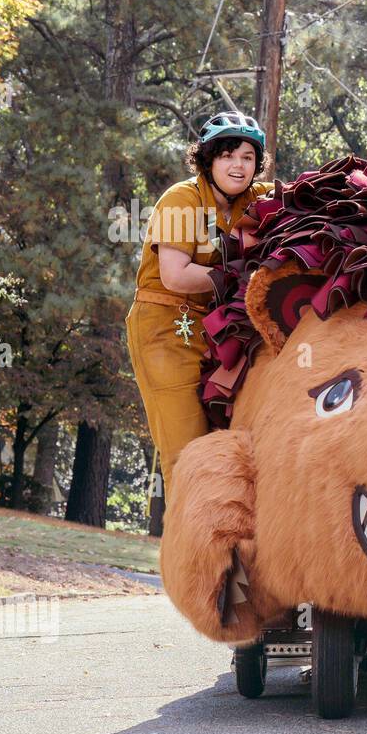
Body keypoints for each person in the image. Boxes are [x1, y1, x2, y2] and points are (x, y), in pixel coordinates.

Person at [126, 112, 274, 494]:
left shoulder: (258, 199)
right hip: (165, 325)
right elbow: (175, 275)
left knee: (222, 443)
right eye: (227, 155)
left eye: (247, 157)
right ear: (207, 159)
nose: (238, 165)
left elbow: (302, 203)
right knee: (185, 447)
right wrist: (238, 276)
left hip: (219, 327)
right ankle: (186, 549)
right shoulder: (181, 198)